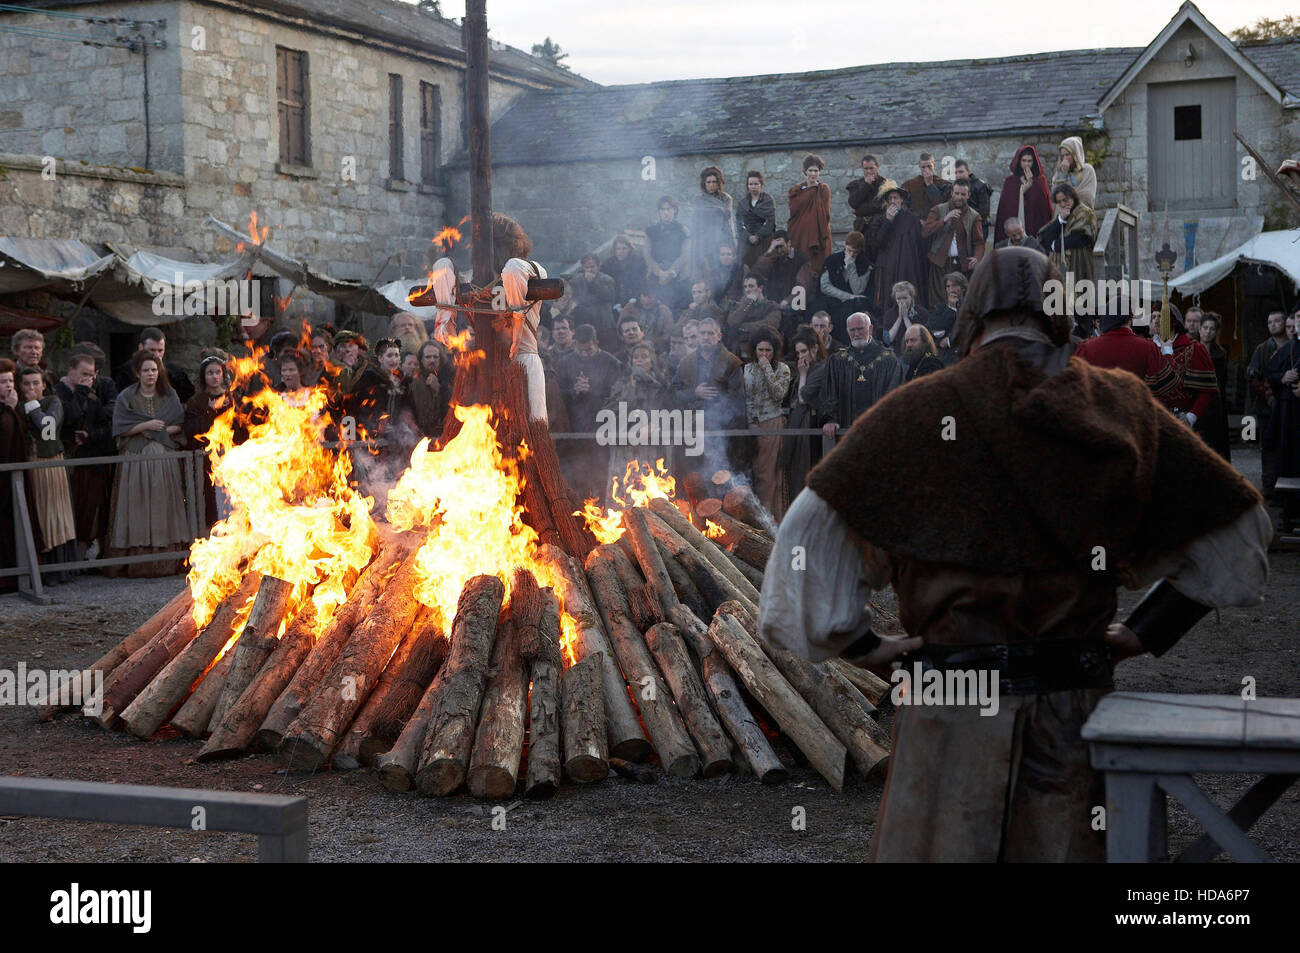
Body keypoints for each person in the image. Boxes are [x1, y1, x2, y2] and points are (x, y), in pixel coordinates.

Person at [761, 245, 1271, 862]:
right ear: (1058, 315)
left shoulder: (913, 412)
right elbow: (1242, 533)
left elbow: (802, 545)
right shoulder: (1123, 407)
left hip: (948, 723)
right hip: (1076, 722)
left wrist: (864, 647)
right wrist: (1143, 632)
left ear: (971, 316)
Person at [107, 350, 189, 577]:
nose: (151, 374)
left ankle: (168, 560)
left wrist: (159, 431)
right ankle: (137, 561)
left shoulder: (169, 395)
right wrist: (146, 426)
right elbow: (121, 428)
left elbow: (179, 425)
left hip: (164, 462)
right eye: (146, 370)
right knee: (136, 506)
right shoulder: (126, 397)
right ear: (137, 373)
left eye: (154, 369)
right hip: (136, 461)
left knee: (163, 505)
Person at [56, 348, 118, 558]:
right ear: (71, 371)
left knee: (91, 507)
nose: (89, 379)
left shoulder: (96, 393)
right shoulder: (60, 391)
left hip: (92, 460)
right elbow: (69, 417)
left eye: (92, 375)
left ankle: (86, 551)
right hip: (67, 459)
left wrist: (90, 435)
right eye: (84, 374)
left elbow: (105, 423)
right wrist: (81, 392)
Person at [18, 365, 77, 573]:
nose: (31, 387)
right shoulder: (17, 405)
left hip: (50, 463)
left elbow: (48, 429)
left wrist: (34, 408)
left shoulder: (53, 402)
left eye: (36, 383)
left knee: (54, 513)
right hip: (29, 465)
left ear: (44, 385)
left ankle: (58, 568)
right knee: (37, 514)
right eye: (26, 384)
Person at [557, 324, 623, 502]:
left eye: (589, 350)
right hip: (573, 431)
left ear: (597, 343)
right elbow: (558, 395)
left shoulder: (611, 363)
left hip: (601, 429)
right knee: (576, 478)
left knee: (600, 476)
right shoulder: (565, 363)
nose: (585, 355)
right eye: (581, 351)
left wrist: (592, 391)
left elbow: (617, 396)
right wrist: (574, 391)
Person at [672, 317, 745, 476]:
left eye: (710, 333)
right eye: (702, 333)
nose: (706, 337)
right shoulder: (685, 363)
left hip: (722, 432)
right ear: (698, 336)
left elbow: (736, 400)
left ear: (719, 336)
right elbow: (674, 394)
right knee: (693, 476)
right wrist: (694, 393)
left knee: (721, 475)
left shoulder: (732, 363)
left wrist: (710, 416)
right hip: (692, 431)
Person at [817, 312, 903, 443]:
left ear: (870, 328)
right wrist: (830, 419)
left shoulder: (889, 360)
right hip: (847, 433)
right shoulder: (837, 361)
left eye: (860, 328)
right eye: (852, 330)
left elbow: (895, 395)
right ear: (847, 331)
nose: (856, 333)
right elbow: (829, 393)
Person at [604, 341, 673, 490]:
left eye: (644, 356)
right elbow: (610, 412)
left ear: (652, 361)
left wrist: (655, 426)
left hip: (653, 447)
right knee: (624, 491)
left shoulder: (661, 385)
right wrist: (631, 389)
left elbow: (670, 411)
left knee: (652, 491)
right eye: (636, 357)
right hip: (625, 448)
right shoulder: (621, 384)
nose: (639, 360)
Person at [1152, 301, 1220, 449]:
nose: (1156, 320)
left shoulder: (1194, 349)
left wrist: (1190, 417)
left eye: (1161, 316)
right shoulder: (1147, 349)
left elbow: (1207, 391)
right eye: (1154, 316)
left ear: (1174, 322)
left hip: (1183, 423)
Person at [1, 359, 43, 591]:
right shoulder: (7, 407)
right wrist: (8, 409)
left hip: (16, 475)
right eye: (3, 382)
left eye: (10, 381)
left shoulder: (13, 404)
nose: (8, 385)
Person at [743, 327, 791, 520]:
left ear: (775, 351)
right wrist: (750, 422)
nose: (763, 354)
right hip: (753, 425)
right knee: (755, 472)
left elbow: (779, 394)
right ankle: (756, 518)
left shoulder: (783, 369)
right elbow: (746, 398)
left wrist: (767, 369)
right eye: (760, 350)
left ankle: (770, 518)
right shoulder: (747, 368)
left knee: (769, 474)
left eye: (768, 350)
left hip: (772, 422)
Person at [1073, 307, 1175, 398]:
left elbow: (1075, 386)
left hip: (1099, 415)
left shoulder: (1086, 347)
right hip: (1136, 414)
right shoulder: (1148, 347)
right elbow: (1167, 384)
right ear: (1130, 320)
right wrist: (1167, 351)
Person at [780, 328, 829, 514]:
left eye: (804, 351)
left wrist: (802, 375)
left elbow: (803, 396)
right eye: (798, 352)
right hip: (797, 422)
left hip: (809, 426)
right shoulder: (805, 368)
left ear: (815, 348)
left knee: (805, 472)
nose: (801, 356)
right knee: (796, 475)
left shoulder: (821, 368)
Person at [1037, 184, 1097, 330]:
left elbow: (1082, 238)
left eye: (1066, 200)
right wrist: (1060, 221)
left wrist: (1055, 245)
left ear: (1073, 197)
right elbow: (1045, 237)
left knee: (1080, 302)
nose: (1064, 204)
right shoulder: (1062, 214)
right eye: (1060, 202)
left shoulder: (1085, 212)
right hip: (1060, 268)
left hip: (1079, 263)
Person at [185, 354, 235, 530]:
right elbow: (192, 430)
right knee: (211, 499)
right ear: (203, 376)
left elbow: (241, 426)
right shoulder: (196, 401)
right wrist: (210, 413)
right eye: (210, 373)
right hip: (207, 459)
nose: (214, 376)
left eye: (218, 372)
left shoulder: (231, 399)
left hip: (231, 455)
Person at [865, 184, 929, 311]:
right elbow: (877, 243)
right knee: (889, 297)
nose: (893, 201)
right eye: (890, 199)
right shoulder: (880, 220)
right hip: (887, 266)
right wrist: (888, 221)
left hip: (908, 266)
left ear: (901, 200)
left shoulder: (911, 219)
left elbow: (919, 245)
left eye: (896, 198)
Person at [922, 181, 985, 308]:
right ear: (951, 193)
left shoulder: (974, 216)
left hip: (962, 266)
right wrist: (944, 220)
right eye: (956, 193)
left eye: (963, 194)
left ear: (968, 195)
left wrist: (977, 258)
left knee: (961, 301)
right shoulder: (938, 210)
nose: (959, 197)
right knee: (938, 302)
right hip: (940, 264)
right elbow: (925, 232)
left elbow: (979, 242)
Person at [1248, 310, 1288, 499]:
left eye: (1277, 321)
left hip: (1289, 406)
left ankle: (1286, 487)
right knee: (1268, 447)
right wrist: (1267, 395)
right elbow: (1253, 376)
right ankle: (1268, 486)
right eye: (1269, 322)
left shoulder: (1292, 346)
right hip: (1266, 408)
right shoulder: (1262, 349)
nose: (1273, 324)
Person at [1265, 327, 1300, 522]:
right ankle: (1290, 509)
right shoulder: (1290, 347)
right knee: (1290, 456)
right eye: (1298, 318)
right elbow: (1271, 371)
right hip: (1291, 414)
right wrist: (1282, 377)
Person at [754, 230, 814, 341]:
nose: (779, 250)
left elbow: (802, 286)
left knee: (787, 314)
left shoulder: (801, 259)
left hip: (797, 302)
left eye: (781, 246)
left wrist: (787, 300)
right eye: (776, 247)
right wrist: (769, 252)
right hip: (776, 302)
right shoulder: (773, 258)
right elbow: (756, 274)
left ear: (789, 243)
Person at [112, 326, 195, 405]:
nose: (156, 355)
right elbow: (121, 400)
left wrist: (165, 373)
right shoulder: (127, 370)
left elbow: (188, 396)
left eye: (160, 350)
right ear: (141, 347)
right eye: (152, 350)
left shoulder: (174, 370)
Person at [817, 231, 874, 333]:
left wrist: (851, 267)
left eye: (855, 252)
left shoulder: (865, 264)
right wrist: (848, 296)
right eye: (849, 250)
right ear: (845, 246)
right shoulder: (832, 260)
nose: (851, 254)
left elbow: (858, 290)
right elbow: (824, 286)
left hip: (852, 305)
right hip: (833, 300)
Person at [994, 146, 1053, 242]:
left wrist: (1032, 184)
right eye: (1024, 160)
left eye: (1029, 161)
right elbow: (1005, 209)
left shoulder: (1040, 181)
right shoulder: (1010, 181)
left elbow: (1044, 208)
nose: (1026, 164)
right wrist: (1022, 191)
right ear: (1019, 161)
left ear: (1034, 162)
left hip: (1035, 224)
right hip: (1015, 228)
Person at [644, 196, 692, 312]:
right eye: (662, 209)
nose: (666, 212)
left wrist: (671, 272)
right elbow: (647, 255)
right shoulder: (651, 231)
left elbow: (685, 255)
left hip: (677, 278)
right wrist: (659, 272)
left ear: (675, 210)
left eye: (669, 209)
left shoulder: (683, 230)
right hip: (657, 277)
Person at [787, 154, 832, 277]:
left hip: (818, 235)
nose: (813, 174)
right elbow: (793, 211)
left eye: (816, 171)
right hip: (800, 235)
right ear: (805, 171)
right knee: (801, 268)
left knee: (817, 269)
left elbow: (825, 214)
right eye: (810, 170)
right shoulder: (797, 190)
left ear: (820, 172)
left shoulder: (823, 189)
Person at [1196, 312, 1232, 461]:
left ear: (1216, 331)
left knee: (1216, 447)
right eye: (1205, 328)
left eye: (1211, 329)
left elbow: (1222, 382)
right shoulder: (1191, 350)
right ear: (1199, 329)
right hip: (1196, 403)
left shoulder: (1221, 354)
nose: (1208, 332)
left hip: (1216, 405)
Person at [690, 166, 736, 282]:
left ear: (719, 183)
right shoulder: (698, 199)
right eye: (708, 182)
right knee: (704, 274)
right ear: (704, 183)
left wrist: (732, 241)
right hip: (703, 241)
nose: (711, 185)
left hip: (721, 239)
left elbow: (728, 220)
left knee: (720, 274)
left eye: (714, 182)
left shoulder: (726, 198)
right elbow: (696, 223)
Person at [725, 273, 782, 361]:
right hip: (738, 353)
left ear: (760, 288)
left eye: (751, 286)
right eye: (745, 287)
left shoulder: (771, 306)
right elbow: (732, 322)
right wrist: (748, 302)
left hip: (763, 354)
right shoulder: (738, 306)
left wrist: (742, 327)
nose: (747, 290)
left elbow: (770, 325)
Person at [570, 254, 618, 350]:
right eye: (586, 267)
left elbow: (609, 297)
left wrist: (593, 283)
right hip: (583, 322)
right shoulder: (577, 280)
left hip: (603, 323)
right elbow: (575, 299)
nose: (589, 270)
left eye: (592, 267)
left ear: (598, 266)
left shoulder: (607, 280)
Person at [409, 339, 451, 440]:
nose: (432, 360)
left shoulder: (447, 380)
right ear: (421, 359)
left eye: (435, 357)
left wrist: (438, 390)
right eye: (428, 357)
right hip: (419, 436)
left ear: (440, 359)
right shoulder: (413, 381)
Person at [846, 153, 897, 233]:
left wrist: (858, 211)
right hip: (861, 227)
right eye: (866, 169)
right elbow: (853, 203)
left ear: (877, 167)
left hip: (881, 225)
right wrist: (866, 185)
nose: (869, 171)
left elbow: (883, 207)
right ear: (862, 168)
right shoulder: (855, 184)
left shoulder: (887, 184)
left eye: (871, 168)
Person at [881, 281, 933, 357]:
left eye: (905, 298)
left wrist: (905, 318)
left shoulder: (921, 312)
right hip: (897, 353)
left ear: (911, 297)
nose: (901, 301)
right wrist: (899, 318)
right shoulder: (889, 314)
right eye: (898, 298)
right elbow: (888, 340)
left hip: (917, 352)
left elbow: (920, 339)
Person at [736, 170, 776, 266]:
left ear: (761, 185)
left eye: (756, 184)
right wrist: (748, 236)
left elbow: (770, 221)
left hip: (764, 241)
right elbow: (738, 222)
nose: (753, 187)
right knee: (746, 265)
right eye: (750, 184)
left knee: (764, 265)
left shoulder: (768, 200)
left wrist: (758, 236)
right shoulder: (743, 203)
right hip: (747, 241)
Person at [901, 152, 952, 221]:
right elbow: (904, 206)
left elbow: (943, 207)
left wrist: (930, 185)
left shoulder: (944, 184)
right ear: (919, 167)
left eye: (929, 166)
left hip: (936, 225)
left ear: (934, 165)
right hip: (916, 225)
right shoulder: (909, 185)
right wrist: (916, 220)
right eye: (923, 167)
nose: (926, 170)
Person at [619, 289, 673, 354]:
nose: (646, 301)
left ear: (656, 297)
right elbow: (620, 330)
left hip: (656, 351)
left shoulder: (664, 311)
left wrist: (653, 343)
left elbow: (668, 333)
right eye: (644, 296)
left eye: (650, 297)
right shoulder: (630, 308)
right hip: (630, 349)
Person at [602, 234, 647, 310]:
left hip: (635, 299)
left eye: (624, 248)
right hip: (615, 300)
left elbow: (642, 283)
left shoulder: (638, 261)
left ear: (629, 249)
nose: (621, 252)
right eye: (618, 249)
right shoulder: (608, 264)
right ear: (614, 250)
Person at [1053, 136, 1098, 209]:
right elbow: (1056, 197)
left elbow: (1087, 197)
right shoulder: (1059, 173)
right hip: (1062, 216)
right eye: (1062, 156)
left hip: (1081, 215)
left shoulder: (1087, 170)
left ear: (1075, 155)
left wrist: (1070, 197)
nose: (1065, 159)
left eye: (1067, 155)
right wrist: (1064, 174)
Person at [954, 159, 993, 233]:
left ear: (968, 171)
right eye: (956, 173)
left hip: (979, 226)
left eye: (961, 172)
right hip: (962, 226)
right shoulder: (955, 186)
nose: (958, 175)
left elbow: (984, 212)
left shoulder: (981, 186)